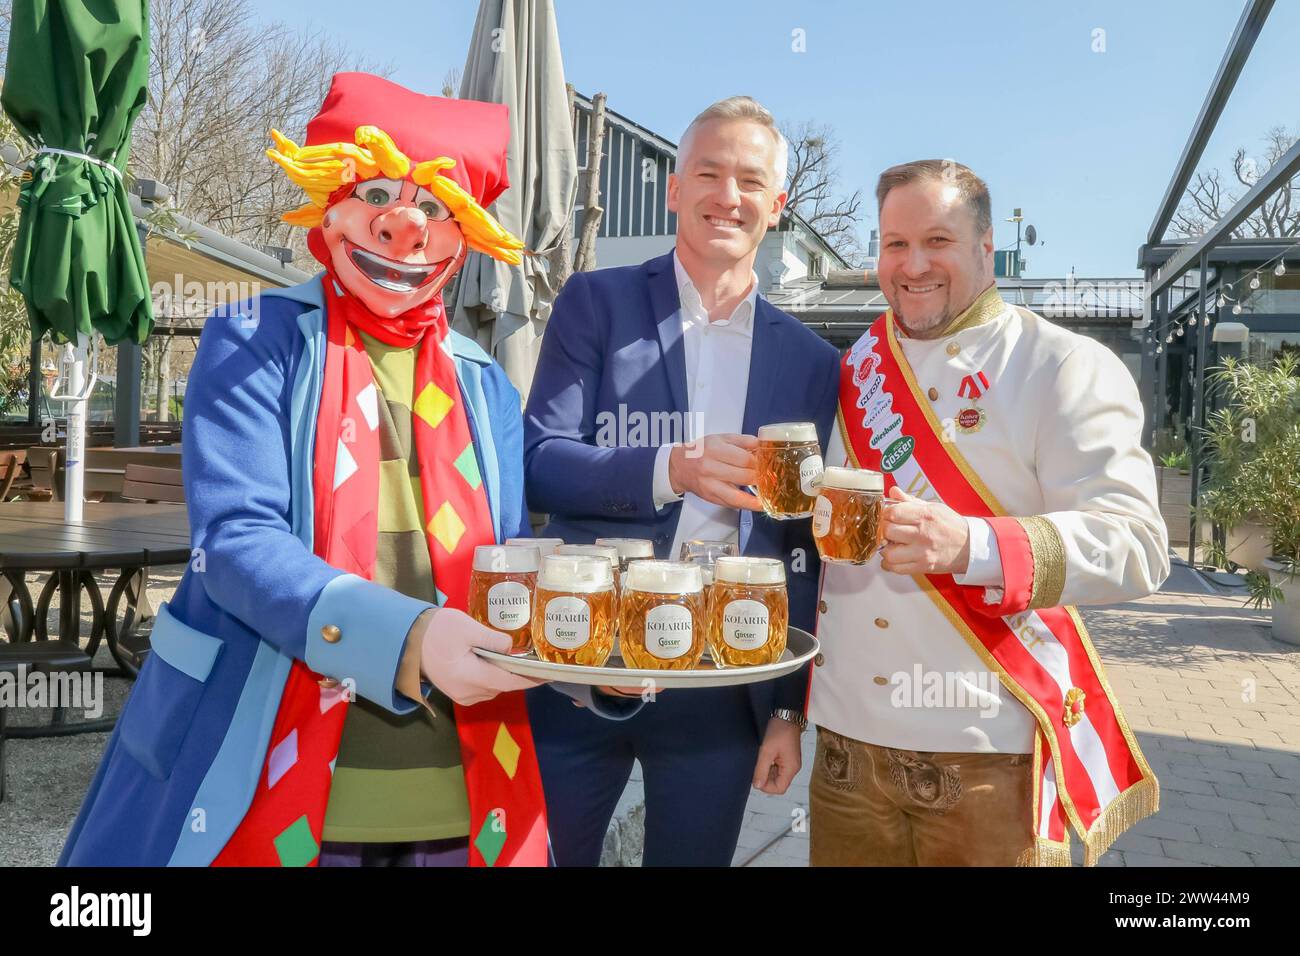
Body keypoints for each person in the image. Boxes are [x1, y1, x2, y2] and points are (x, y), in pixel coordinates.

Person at [60, 73, 549, 867]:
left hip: (464, 793)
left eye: (435, 206)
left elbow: (507, 569)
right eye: (378, 193)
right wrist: (413, 638)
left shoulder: (485, 380)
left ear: (466, 236)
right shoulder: (254, 338)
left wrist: (585, 659)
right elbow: (237, 546)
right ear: (329, 207)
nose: (404, 227)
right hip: (274, 778)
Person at [809, 159, 1169, 866]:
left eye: (937, 241)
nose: (913, 265)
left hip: (984, 754)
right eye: (894, 244)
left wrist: (971, 545)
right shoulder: (853, 370)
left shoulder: (1060, 364)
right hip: (846, 746)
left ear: (985, 248)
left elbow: (1137, 544)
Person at [523, 96, 841, 866]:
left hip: (721, 680)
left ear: (778, 206)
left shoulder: (811, 360)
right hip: (580, 661)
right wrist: (672, 469)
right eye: (709, 171)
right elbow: (540, 461)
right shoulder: (595, 302)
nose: (727, 196)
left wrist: (788, 713)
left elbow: (800, 546)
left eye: (750, 180)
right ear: (673, 187)